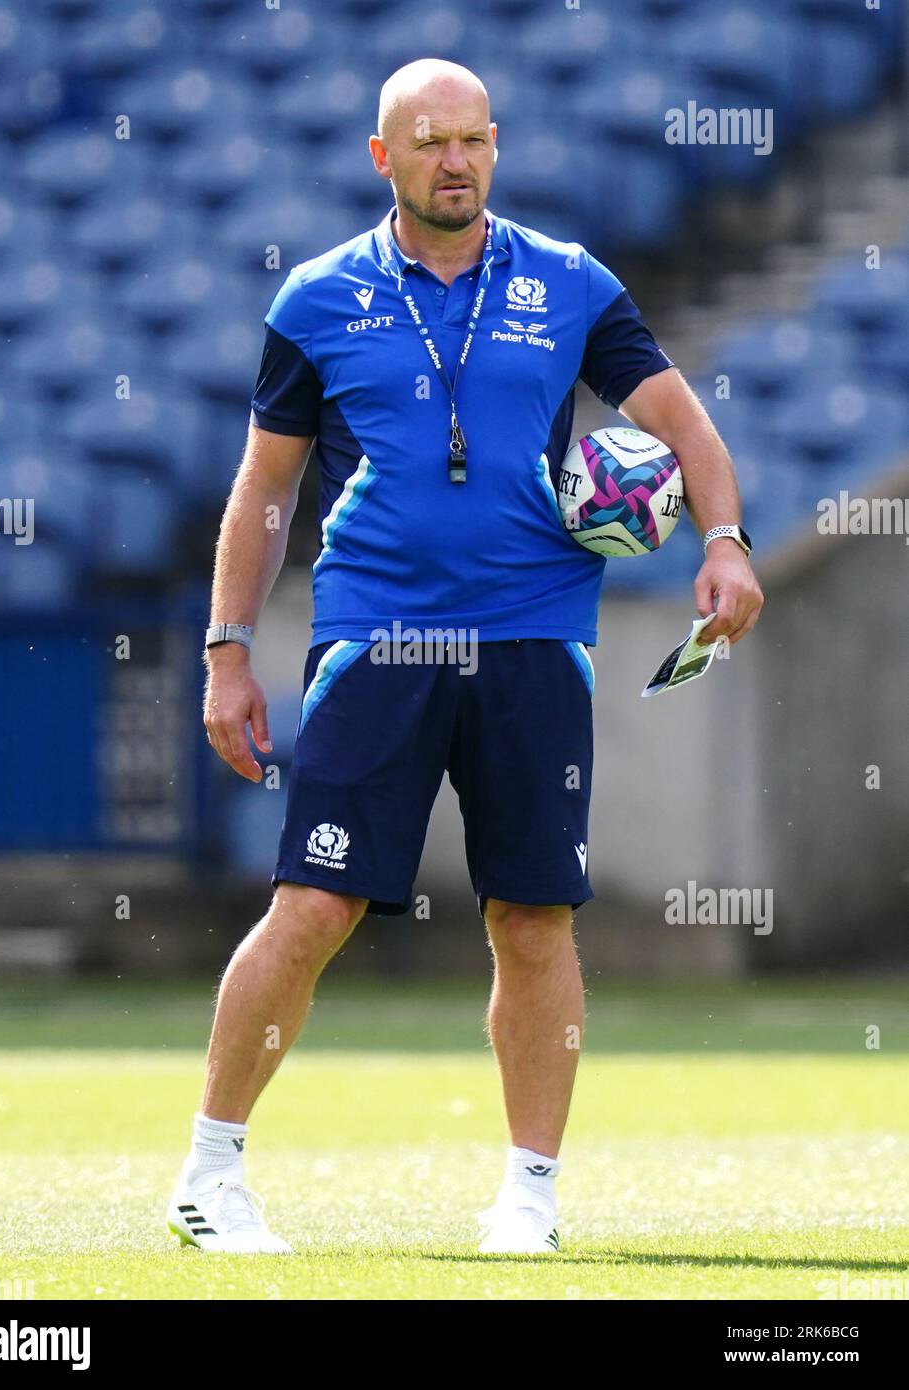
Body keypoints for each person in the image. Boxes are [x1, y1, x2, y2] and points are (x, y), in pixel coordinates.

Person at [167, 58, 763, 1256]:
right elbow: (265, 492)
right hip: (373, 637)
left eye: (473, 139)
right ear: (381, 157)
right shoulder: (317, 298)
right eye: (428, 141)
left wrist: (726, 540)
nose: (455, 160)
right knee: (314, 903)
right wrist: (229, 648)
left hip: (535, 637)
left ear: (496, 146)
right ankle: (208, 1177)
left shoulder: (570, 283)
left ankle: (528, 1197)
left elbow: (681, 423)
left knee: (534, 918)